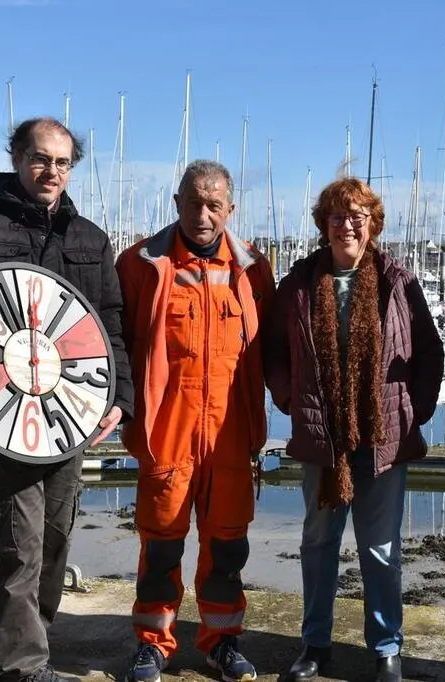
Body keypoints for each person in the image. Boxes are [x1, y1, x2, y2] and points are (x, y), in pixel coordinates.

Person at [0, 117, 134, 682]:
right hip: (3, 421)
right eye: (40, 158)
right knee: (18, 546)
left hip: (66, 419)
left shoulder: (90, 239)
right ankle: (23, 668)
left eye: (62, 162)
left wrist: (119, 399)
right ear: (16, 158)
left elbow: (108, 326)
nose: (51, 171)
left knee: (54, 541)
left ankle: (35, 643)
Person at [264, 177, 444, 682]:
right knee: (318, 543)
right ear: (324, 224)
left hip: (382, 438)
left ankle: (386, 648)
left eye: (357, 217)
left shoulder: (398, 282)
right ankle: (314, 644)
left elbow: (430, 352)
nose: (347, 225)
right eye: (337, 217)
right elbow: (273, 351)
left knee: (381, 549)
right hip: (323, 439)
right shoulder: (298, 285)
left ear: (373, 225)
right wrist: (289, 399)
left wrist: (414, 411)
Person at [115, 160, 275, 682]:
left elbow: (275, 350)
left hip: (230, 434)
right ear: (176, 203)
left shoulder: (254, 269)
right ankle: (152, 644)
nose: (202, 215)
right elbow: (116, 345)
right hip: (167, 433)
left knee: (227, 546)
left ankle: (222, 641)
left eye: (214, 205)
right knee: (161, 544)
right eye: (193, 203)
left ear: (231, 209)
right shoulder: (140, 264)